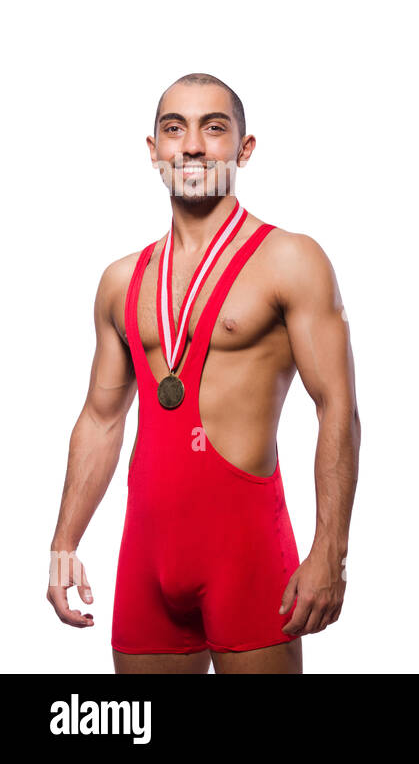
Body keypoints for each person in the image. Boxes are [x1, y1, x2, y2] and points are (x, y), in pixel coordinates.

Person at [47, 73, 361, 674]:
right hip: (147, 558)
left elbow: (338, 409)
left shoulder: (290, 260)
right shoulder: (121, 281)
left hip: (245, 552)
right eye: (175, 129)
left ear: (244, 149)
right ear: (153, 150)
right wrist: (64, 543)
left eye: (213, 128)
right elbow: (101, 417)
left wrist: (331, 551)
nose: (192, 145)